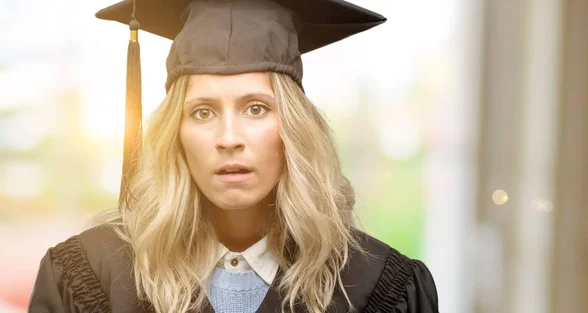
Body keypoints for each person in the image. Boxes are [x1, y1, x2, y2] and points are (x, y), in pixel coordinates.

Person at [28, 0, 439, 312]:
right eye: (202, 112)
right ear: (176, 134)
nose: (228, 138)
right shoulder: (89, 276)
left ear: (294, 129)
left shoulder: (378, 286)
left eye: (256, 108)